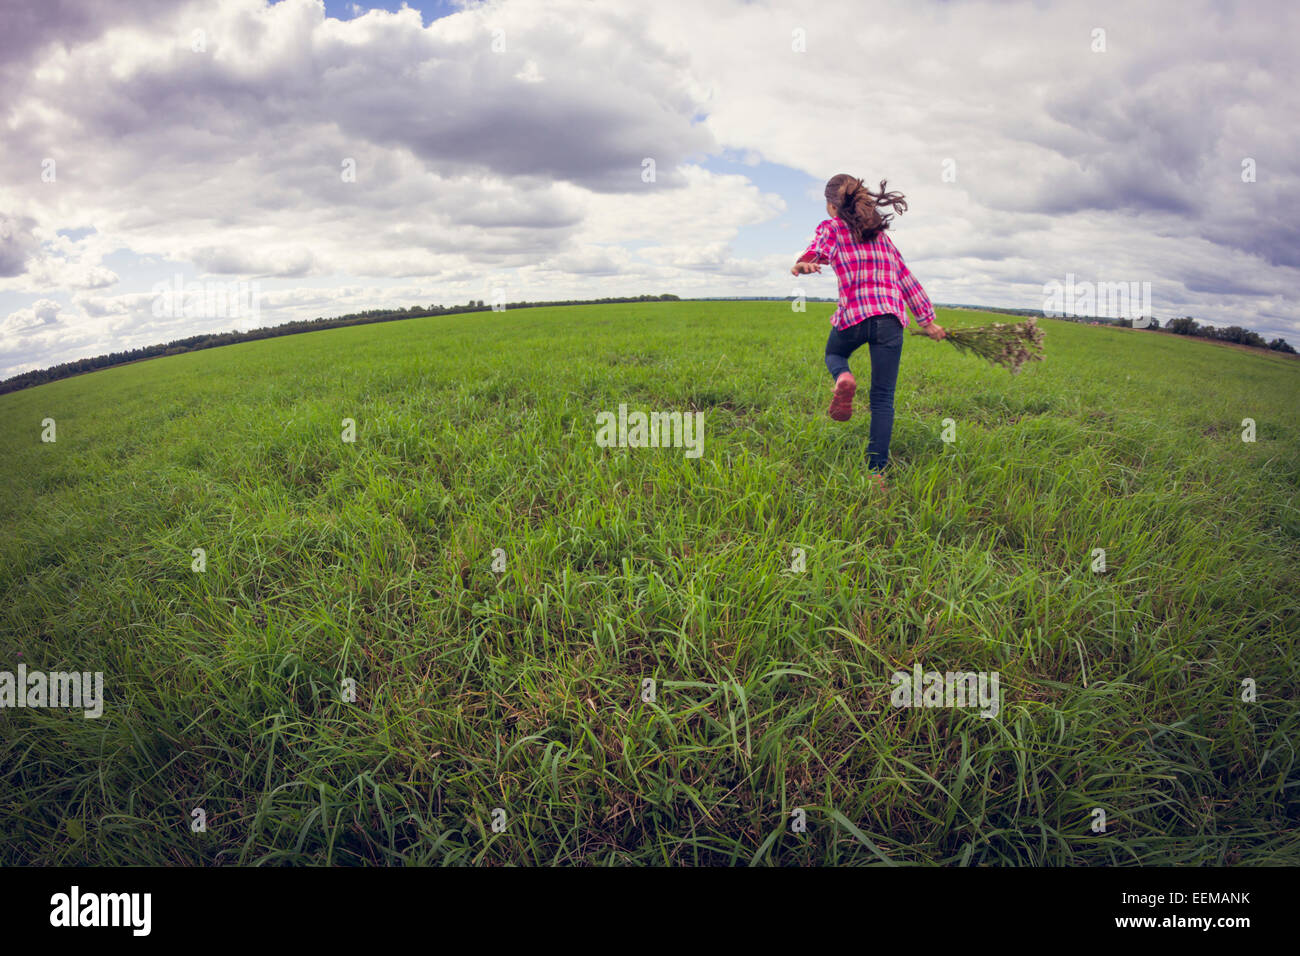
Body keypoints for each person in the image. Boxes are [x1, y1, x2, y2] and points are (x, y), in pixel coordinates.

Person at [792, 174, 945, 472]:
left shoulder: (832, 228)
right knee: (883, 398)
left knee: (834, 354)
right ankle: (876, 471)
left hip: (854, 317)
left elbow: (818, 250)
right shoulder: (882, 238)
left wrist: (804, 263)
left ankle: (843, 377)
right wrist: (927, 321)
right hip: (890, 320)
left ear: (832, 206)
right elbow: (906, 279)